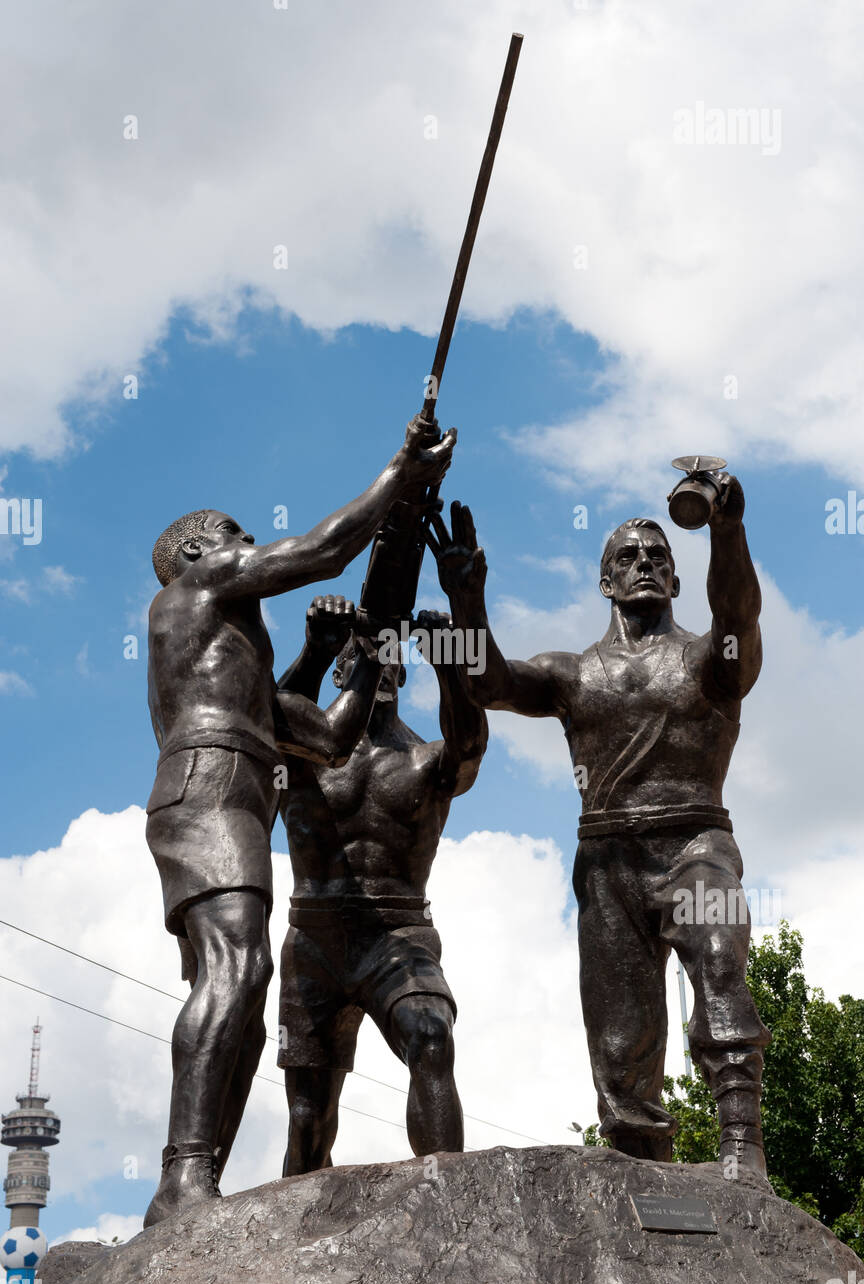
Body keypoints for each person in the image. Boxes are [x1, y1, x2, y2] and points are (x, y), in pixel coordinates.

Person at [143, 417, 455, 1225]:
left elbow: (329, 736)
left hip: (232, 787)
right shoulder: (192, 590)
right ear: (194, 555)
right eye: (233, 537)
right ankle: (182, 1178)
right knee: (237, 972)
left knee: (242, 987)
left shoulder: (233, 668)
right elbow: (319, 552)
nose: (246, 545)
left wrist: (348, 649)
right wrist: (399, 476)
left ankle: (194, 1176)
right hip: (211, 784)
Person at [429, 481, 771, 1176]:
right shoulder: (572, 673)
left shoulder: (710, 662)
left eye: (657, 554)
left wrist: (727, 531)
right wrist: (467, 598)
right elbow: (487, 684)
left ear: (676, 576)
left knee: (718, 960)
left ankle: (742, 1144)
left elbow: (738, 614)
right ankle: (639, 1177)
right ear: (605, 580)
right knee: (622, 1044)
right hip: (607, 861)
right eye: (628, 554)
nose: (645, 562)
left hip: (696, 845)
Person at [275, 596, 487, 1173]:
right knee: (307, 1119)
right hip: (314, 938)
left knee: (431, 1038)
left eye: (393, 657)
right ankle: (294, 1237)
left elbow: (470, 745)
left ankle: (451, 1200)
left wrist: (448, 659)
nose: (383, 664)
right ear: (344, 671)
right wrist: (317, 644)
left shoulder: (426, 758)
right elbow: (270, 712)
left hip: (400, 934)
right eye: (368, 654)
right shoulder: (299, 755)